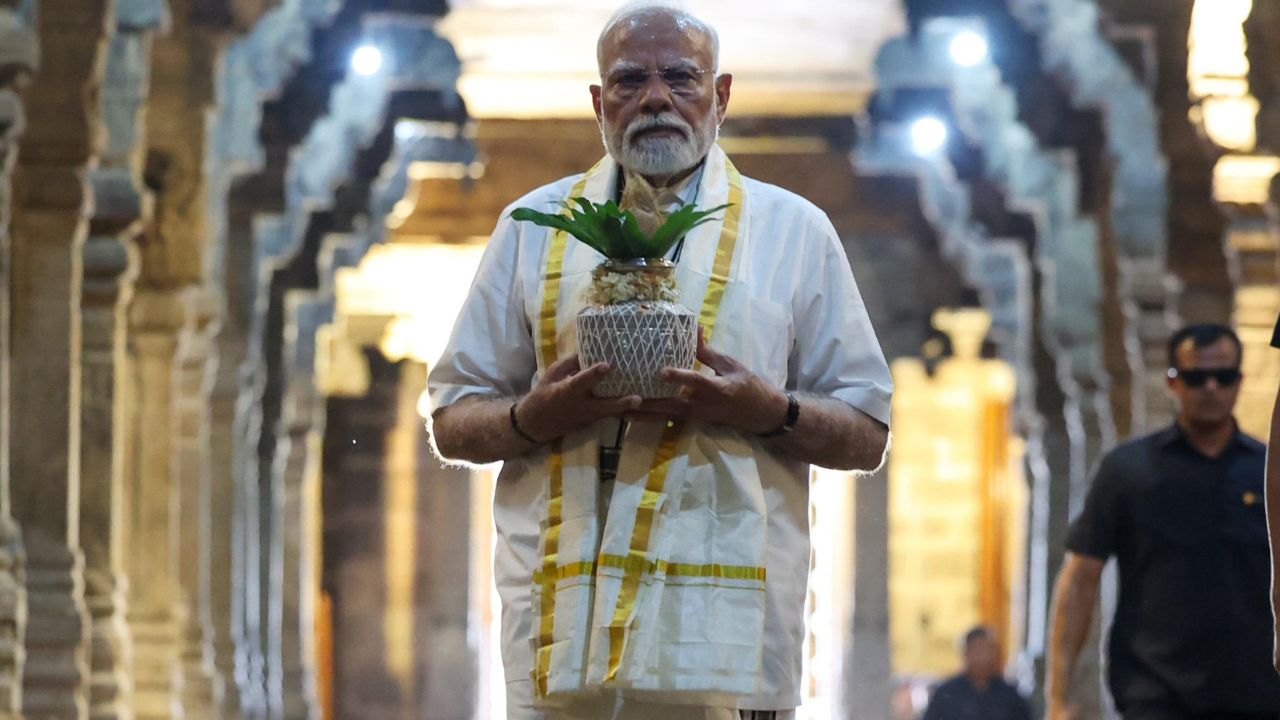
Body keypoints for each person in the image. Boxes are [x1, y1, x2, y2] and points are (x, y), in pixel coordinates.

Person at [427, 2, 893, 719]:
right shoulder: (532, 228)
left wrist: (763, 409)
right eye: (628, 81)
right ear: (597, 101)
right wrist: (534, 415)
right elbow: (453, 421)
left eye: (680, 78)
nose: (654, 99)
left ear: (721, 94)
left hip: (727, 638)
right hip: (562, 635)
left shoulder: (794, 231)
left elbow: (866, 435)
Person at [1046, 323, 1280, 720]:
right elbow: (1081, 577)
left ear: (1239, 382)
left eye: (1222, 377)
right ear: (1172, 382)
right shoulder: (1129, 470)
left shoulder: (1265, 472)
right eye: (1195, 377)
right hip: (1156, 694)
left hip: (1255, 695)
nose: (1210, 388)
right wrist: (1060, 693)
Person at [921, 626, 1030, 720]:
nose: (982, 658)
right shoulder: (946, 695)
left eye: (987, 651)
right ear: (966, 653)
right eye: (977, 651)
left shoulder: (1009, 697)